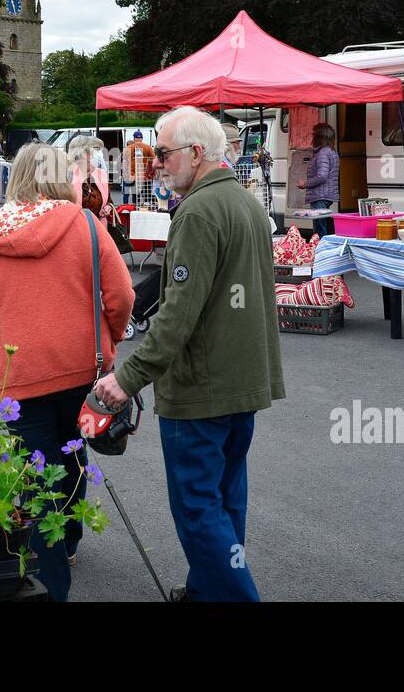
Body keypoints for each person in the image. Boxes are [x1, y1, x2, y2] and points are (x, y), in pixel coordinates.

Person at [94, 106, 284, 602]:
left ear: (196, 153)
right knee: (225, 499)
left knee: (199, 509)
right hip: (243, 379)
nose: (154, 163)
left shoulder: (198, 211)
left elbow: (178, 314)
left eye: (162, 153)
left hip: (203, 387)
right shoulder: (242, 201)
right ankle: (207, 590)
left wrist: (127, 378)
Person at [0, 142, 135, 601]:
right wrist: (110, 341)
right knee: (75, 454)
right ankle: (72, 540)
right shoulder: (86, 225)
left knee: (37, 481)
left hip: (16, 376)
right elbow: (122, 297)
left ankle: (52, 580)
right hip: (83, 369)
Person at [67, 135, 113, 221]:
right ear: (85, 155)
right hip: (78, 230)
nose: (100, 154)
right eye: (96, 149)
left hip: (98, 231)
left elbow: (109, 201)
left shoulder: (100, 174)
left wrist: (108, 208)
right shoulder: (68, 177)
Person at [296, 123, 340, 211]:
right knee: (325, 223)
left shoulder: (322, 153)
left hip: (320, 196)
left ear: (319, 137)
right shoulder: (332, 151)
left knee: (319, 224)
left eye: (313, 135)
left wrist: (305, 184)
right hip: (326, 195)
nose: (312, 138)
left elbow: (322, 176)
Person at [121, 130, 154, 206]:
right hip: (143, 175)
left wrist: (124, 173)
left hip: (130, 174)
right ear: (142, 138)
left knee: (127, 193)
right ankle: (137, 206)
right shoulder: (148, 147)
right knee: (140, 194)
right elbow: (153, 160)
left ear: (134, 138)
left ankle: (125, 207)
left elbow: (124, 162)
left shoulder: (129, 147)